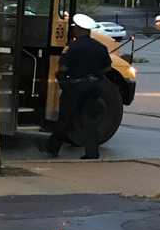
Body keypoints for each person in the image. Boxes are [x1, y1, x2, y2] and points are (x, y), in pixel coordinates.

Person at [41, 15, 112, 160]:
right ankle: (92, 153)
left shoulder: (72, 48)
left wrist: (62, 79)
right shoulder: (100, 47)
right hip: (93, 87)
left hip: (75, 88)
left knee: (65, 119)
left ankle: (52, 149)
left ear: (79, 30)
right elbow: (108, 67)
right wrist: (95, 74)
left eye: (74, 28)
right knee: (89, 120)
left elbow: (64, 68)